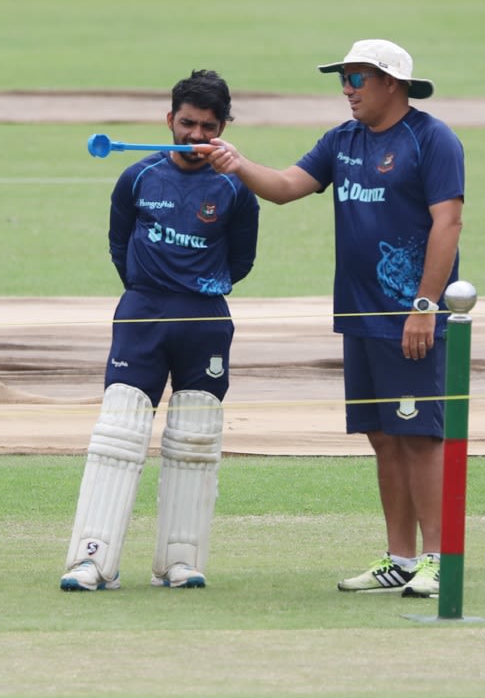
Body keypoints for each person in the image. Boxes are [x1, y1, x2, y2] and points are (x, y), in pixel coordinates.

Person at [208, 39, 464, 598]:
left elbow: (447, 224)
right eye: (343, 79)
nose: (346, 89)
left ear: (389, 81)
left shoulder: (432, 139)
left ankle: (442, 559)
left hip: (410, 318)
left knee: (420, 437)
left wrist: (425, 305)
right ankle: (400, 558)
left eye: (355, 79)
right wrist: (236, 161)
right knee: (382, 436)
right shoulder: (341, 142)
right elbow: (284, 188)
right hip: (358, 316)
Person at [61, 69, 259, 591]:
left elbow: (241, 261)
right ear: (169, 120)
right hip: (142, 315)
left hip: (206, 318)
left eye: (208, 127)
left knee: (195, 436)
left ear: (224, 127)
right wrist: (152, 288)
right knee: (119, 430)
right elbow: (119, 247)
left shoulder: (236, 187)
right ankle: (92, 561)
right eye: (187, 124)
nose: (196, 137)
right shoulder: (138, 176)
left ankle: (179, 560)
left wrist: (193, 287)